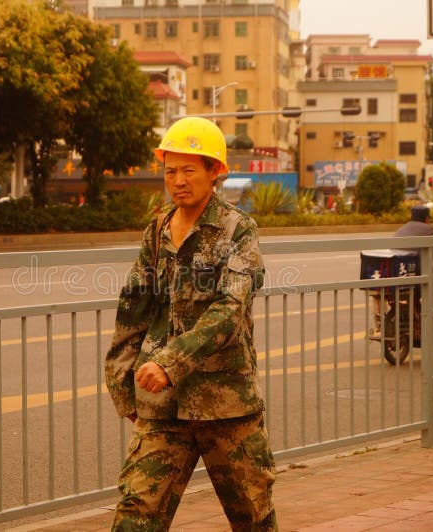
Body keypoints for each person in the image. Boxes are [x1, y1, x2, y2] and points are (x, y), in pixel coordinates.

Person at [104, 116, 277, 531]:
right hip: (163, 411)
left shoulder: (239, 231)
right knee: (134, 517)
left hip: (226, 406)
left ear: (214, 172)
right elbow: (133, 309)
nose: (177, 180)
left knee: (253, 519)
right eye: (169, 171)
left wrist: (169, 363)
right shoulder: (157, 230)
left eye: (188, 170)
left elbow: (229, 311)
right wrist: (124, 388)